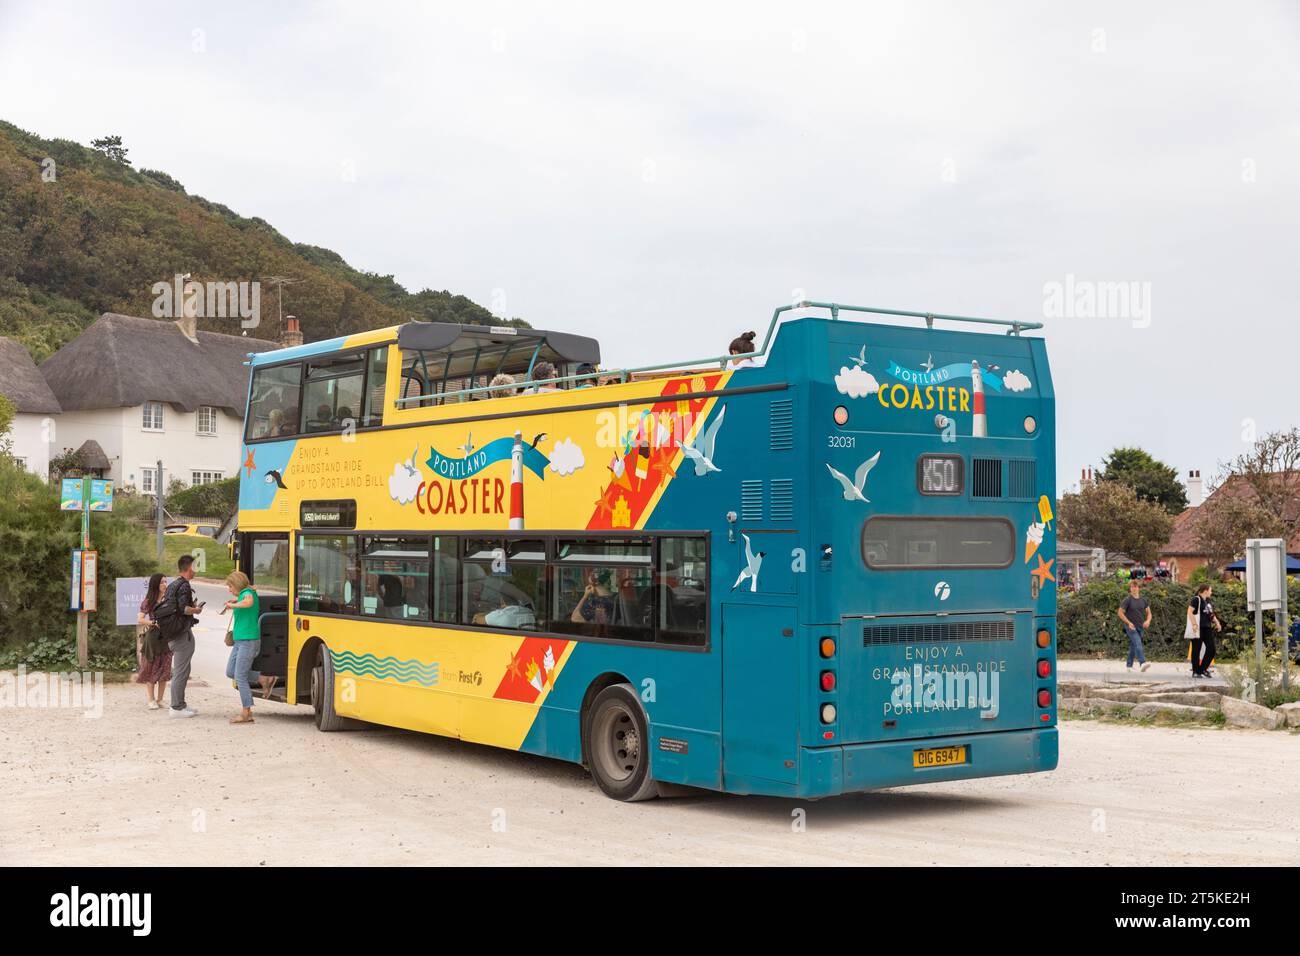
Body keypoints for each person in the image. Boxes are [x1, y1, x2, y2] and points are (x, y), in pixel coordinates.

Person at [224, 571, 274, 723]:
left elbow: (249, 603)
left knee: (240, 676)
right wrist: (235, 601)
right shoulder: (243, 594)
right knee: (231, 671)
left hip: (248, 640)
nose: (229, 589)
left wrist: (233, 605)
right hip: (240, 640)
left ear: (237, 584)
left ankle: (246, 712)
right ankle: (263, 679)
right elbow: (244, 603)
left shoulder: (248, 593)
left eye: (230, 586)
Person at [162, 554, 205, 717]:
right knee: (181, 671)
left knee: (183, 670)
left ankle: (180, 704)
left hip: (173, 631)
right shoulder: (184, 585)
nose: (196, 570)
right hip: (180, 633)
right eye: (194, 566)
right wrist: (196, 610)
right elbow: (182, 609)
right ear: (189, 568)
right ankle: (176, 707)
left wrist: (190, 606)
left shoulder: (173, 585)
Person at [136, 573, 173, 709]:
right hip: (152, 639)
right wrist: (153, 622)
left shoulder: (169, 600)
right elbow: (140, 619)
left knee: (165, 668)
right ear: (156, 584)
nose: (165, 584)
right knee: (151, 668)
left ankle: (160, 699)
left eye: (166, 581)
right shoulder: (148, 602)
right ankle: (151, 699)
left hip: (167, 638)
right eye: (162, 582)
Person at [1187, 583, 1221, 678]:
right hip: (1198, 628)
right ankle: (1196, 671)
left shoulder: (1208, 601)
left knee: (1212, 649)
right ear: (1205, 590)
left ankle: (1202, 669)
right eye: (1210, 590)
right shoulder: (1196, 599)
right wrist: (1194, 624)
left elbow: (1211, 614)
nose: (1211, 592)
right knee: (1196, 650)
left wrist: (1217, 623)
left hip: (1207, 628)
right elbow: (1189, 611)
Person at [1118, 580, 1151, 672]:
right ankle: (1142, 663)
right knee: (1138, 643)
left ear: (1139, 588)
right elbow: (1120, 613)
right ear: (1130, 589)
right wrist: (1128, 623)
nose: (1134, 589)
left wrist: (1148, 621)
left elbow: (1149, 613)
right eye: (1132, 587)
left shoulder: (1143, 600)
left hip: (1140, 626)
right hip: (1130, 627)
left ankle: (1129, 666)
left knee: (1133, 645)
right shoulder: (1127, 600)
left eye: (1136, 587)